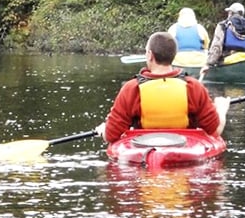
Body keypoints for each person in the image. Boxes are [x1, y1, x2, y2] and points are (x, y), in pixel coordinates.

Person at [96, 32, 229, 143]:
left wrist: (104, 130)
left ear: (150, 55)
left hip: (143, 149)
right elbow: (215, 131)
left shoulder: (131, 89)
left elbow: (111, 136)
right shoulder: (193, 87)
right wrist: (221, 109)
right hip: (184, 151)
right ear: (173, 55)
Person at [199, 2, 245, 80]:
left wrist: (208, 64)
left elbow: (217, 47)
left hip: (229, 60)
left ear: (231, 13)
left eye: (229, 12)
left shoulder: (223, 25)